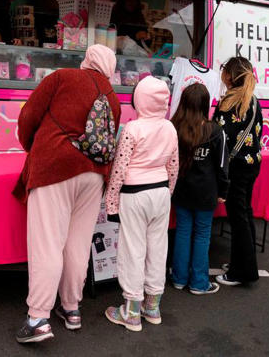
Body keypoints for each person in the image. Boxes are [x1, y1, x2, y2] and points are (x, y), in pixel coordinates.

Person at [13, 44, 121, 343]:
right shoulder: (113, 98)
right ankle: (72, 309)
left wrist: (36, 148)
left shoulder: (61, 78)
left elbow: (28, 119)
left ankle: (38, 318)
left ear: (87, 60)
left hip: (54, 169)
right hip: (94, 175)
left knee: (47, 242)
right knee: (78, 243)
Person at [102, 76, 179, 331]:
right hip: (160, 194)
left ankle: (132, 311)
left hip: (134, 194)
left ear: (139, 100)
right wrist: (167, 192)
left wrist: (111, 203)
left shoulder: (133, 129)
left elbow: (120, 169)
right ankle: (153, 307)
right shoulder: (170, 128)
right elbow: (173, 166)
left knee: (133, 250)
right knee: (158, 249)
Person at [171, 83, 230, 295]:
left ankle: (179, 278)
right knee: (202, 234)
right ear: (206, 104)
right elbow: (223, 165)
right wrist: (223, 192)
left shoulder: (174, 126)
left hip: (180, 190)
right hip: (206, 192)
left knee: (183, 231)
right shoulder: (215, 131)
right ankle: (198, 283)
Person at [214, 56, 263, 286]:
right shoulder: (252, 100)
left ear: (230, 76)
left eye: (224, 69)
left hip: (235, 168)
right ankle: (243, 263)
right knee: (245, 214)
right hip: (251, 164)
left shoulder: (228, 103)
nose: (222, 73)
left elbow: (219, 138)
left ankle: (241, 271)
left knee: (239, 217)